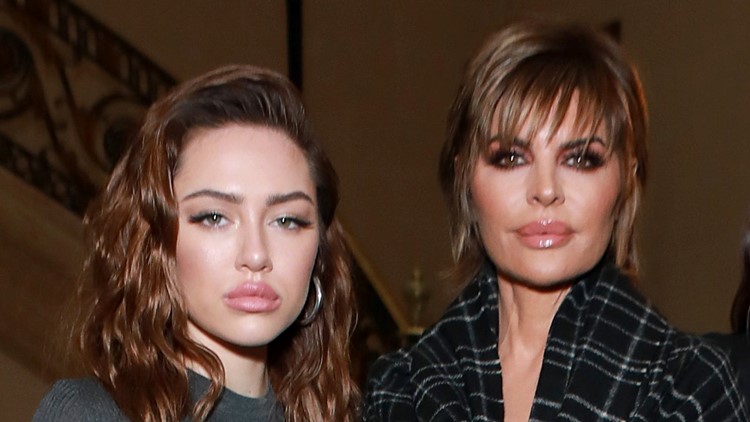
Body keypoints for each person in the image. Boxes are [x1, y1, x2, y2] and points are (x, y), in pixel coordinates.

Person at [365, 19, 748, 421]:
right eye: (511, 157)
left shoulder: (693, 388)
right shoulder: (399, 388)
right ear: (465, 178)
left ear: (627, 178)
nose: (546, 190)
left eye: (580, 159)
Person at [33, 65, 360, 421]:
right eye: (214, 217)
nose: (256, 255)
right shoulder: (90, 413)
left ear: (319, 251)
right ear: (157, 240)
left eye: (286, 220)